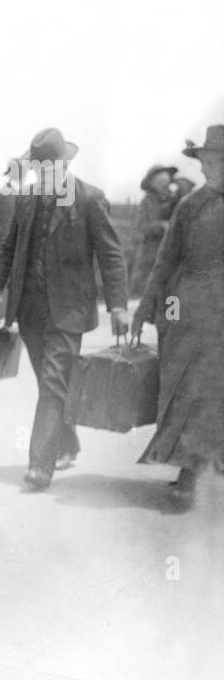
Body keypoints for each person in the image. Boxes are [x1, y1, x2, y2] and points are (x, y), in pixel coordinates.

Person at [0, 127, 129, 491]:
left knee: (52, 385)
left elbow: (111, 256)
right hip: (29, 309)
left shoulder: (90, 199)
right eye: (38, 168)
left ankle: (39, 467)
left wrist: (118, 306)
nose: (43, 175)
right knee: (49, 382)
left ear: (64, 165)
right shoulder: (27, 199)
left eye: (49, 168)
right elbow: (8, 247)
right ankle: (67, 443)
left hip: (69, 312)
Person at [131, 125, 224, 511]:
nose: (206, 169)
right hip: (186, 306)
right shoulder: (189, 205)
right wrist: (152, 312)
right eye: (204, 161)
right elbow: (166, 261)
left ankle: (207, 460)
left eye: (214, 160)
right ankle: (189, 469)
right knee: (189, 386)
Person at [130, 165, 183, 298]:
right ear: (152, 184)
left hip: (174, 252)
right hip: (152, 253)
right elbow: (140, 227)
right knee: (150, 293)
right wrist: (160, 226)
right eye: (159, 182)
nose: (163, 186)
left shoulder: (177, 200)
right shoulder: (147, 202)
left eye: (166, 182)